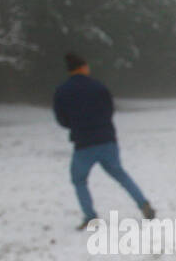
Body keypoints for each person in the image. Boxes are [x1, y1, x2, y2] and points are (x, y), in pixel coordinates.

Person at [52, 52, 155, 229]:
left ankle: (90, 217)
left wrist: (76, 125)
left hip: (83, 144)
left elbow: (62, 119)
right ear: (83, 67)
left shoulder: (62, 91)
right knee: (120, 174)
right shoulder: (98, 87)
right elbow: (109, 109)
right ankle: (143, 203)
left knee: (79, 180)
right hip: (107, 140)